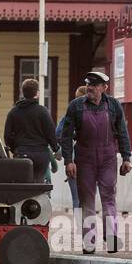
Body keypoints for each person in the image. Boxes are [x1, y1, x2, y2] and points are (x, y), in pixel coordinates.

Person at [59, 71, 132, 254]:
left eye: (95, 84)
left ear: (104, 87)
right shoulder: (76, 106)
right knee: (87, 201)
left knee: (109, 197)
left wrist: (126, 157)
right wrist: (69, 161)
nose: (90, 87)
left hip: (108, 157)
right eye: (88, 83)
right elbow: (66, 135)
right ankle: (89, 242)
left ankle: (112, 237)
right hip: (84, 158)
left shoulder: (114, 105)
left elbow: (122, 131)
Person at [3, 77, 59, 186]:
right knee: (38, 186)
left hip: (22, 152)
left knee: (23, 187)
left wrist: (15, 149)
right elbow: (51, 133)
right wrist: (56, 148)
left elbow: (7, 136)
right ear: (37, 93)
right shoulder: (43, 111)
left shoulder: (14, 112)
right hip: (41, 154)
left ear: (23, 93)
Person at [57, 86, 87, 214]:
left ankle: (79, 227)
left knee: (76, 197)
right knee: (88, 196)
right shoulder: (97, 113)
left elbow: (58, 133)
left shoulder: (69, 114)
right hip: (91, 160)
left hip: (73, 159)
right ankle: (87, 226)